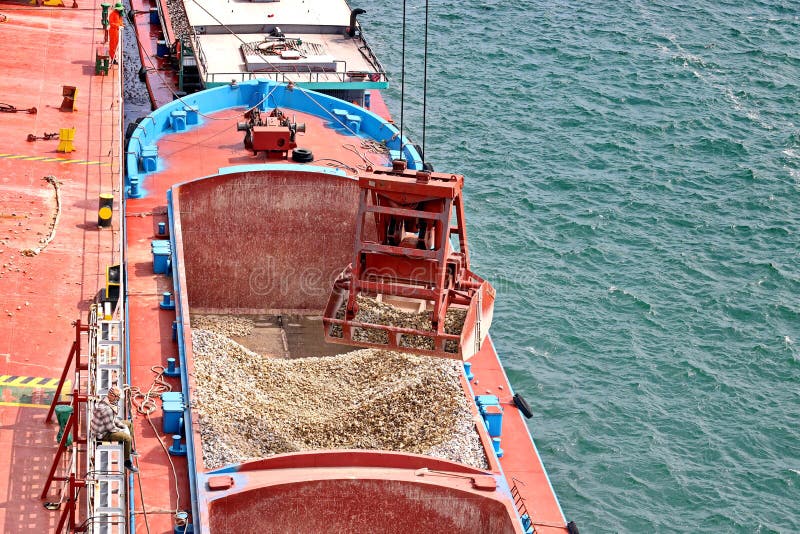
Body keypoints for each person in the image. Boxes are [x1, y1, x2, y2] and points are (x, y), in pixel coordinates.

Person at [91, 385, 138, 472]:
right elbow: (111, 428)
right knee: (127, 438)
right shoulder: (107, 409)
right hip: (102, 433)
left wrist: (123, 425)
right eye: (118, 397)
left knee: (129, 424)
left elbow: (113, 419)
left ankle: (129, 448)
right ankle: (127, 462)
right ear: (114, 397)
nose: (118, 399)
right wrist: (123, 430)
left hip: (105, 426)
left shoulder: (106, 400)